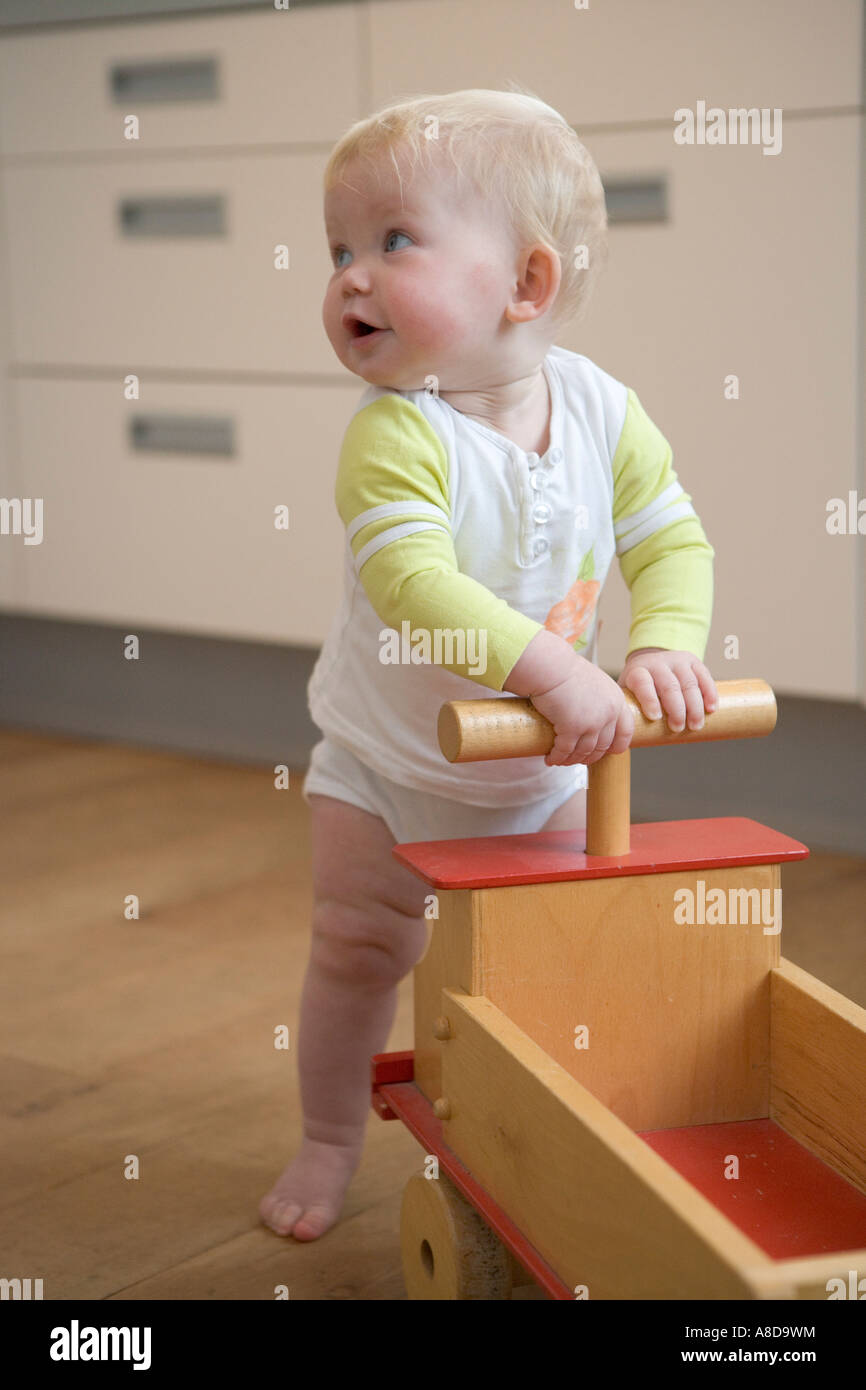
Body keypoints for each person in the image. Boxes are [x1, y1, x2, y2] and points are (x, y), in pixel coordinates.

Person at [260, 86, 718, 1242]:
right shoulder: (392, 434)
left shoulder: (605, 414)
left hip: (542, 774)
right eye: (338, 250)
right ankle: (326, 1135)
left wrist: (661, 640)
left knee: (532, 978)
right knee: (361, 948)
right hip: (385, 762)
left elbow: (668, 539)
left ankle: (526, 1143)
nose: (350, 275)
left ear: (526, 283)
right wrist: (560, 674)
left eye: (392, 241)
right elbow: (412, 588)